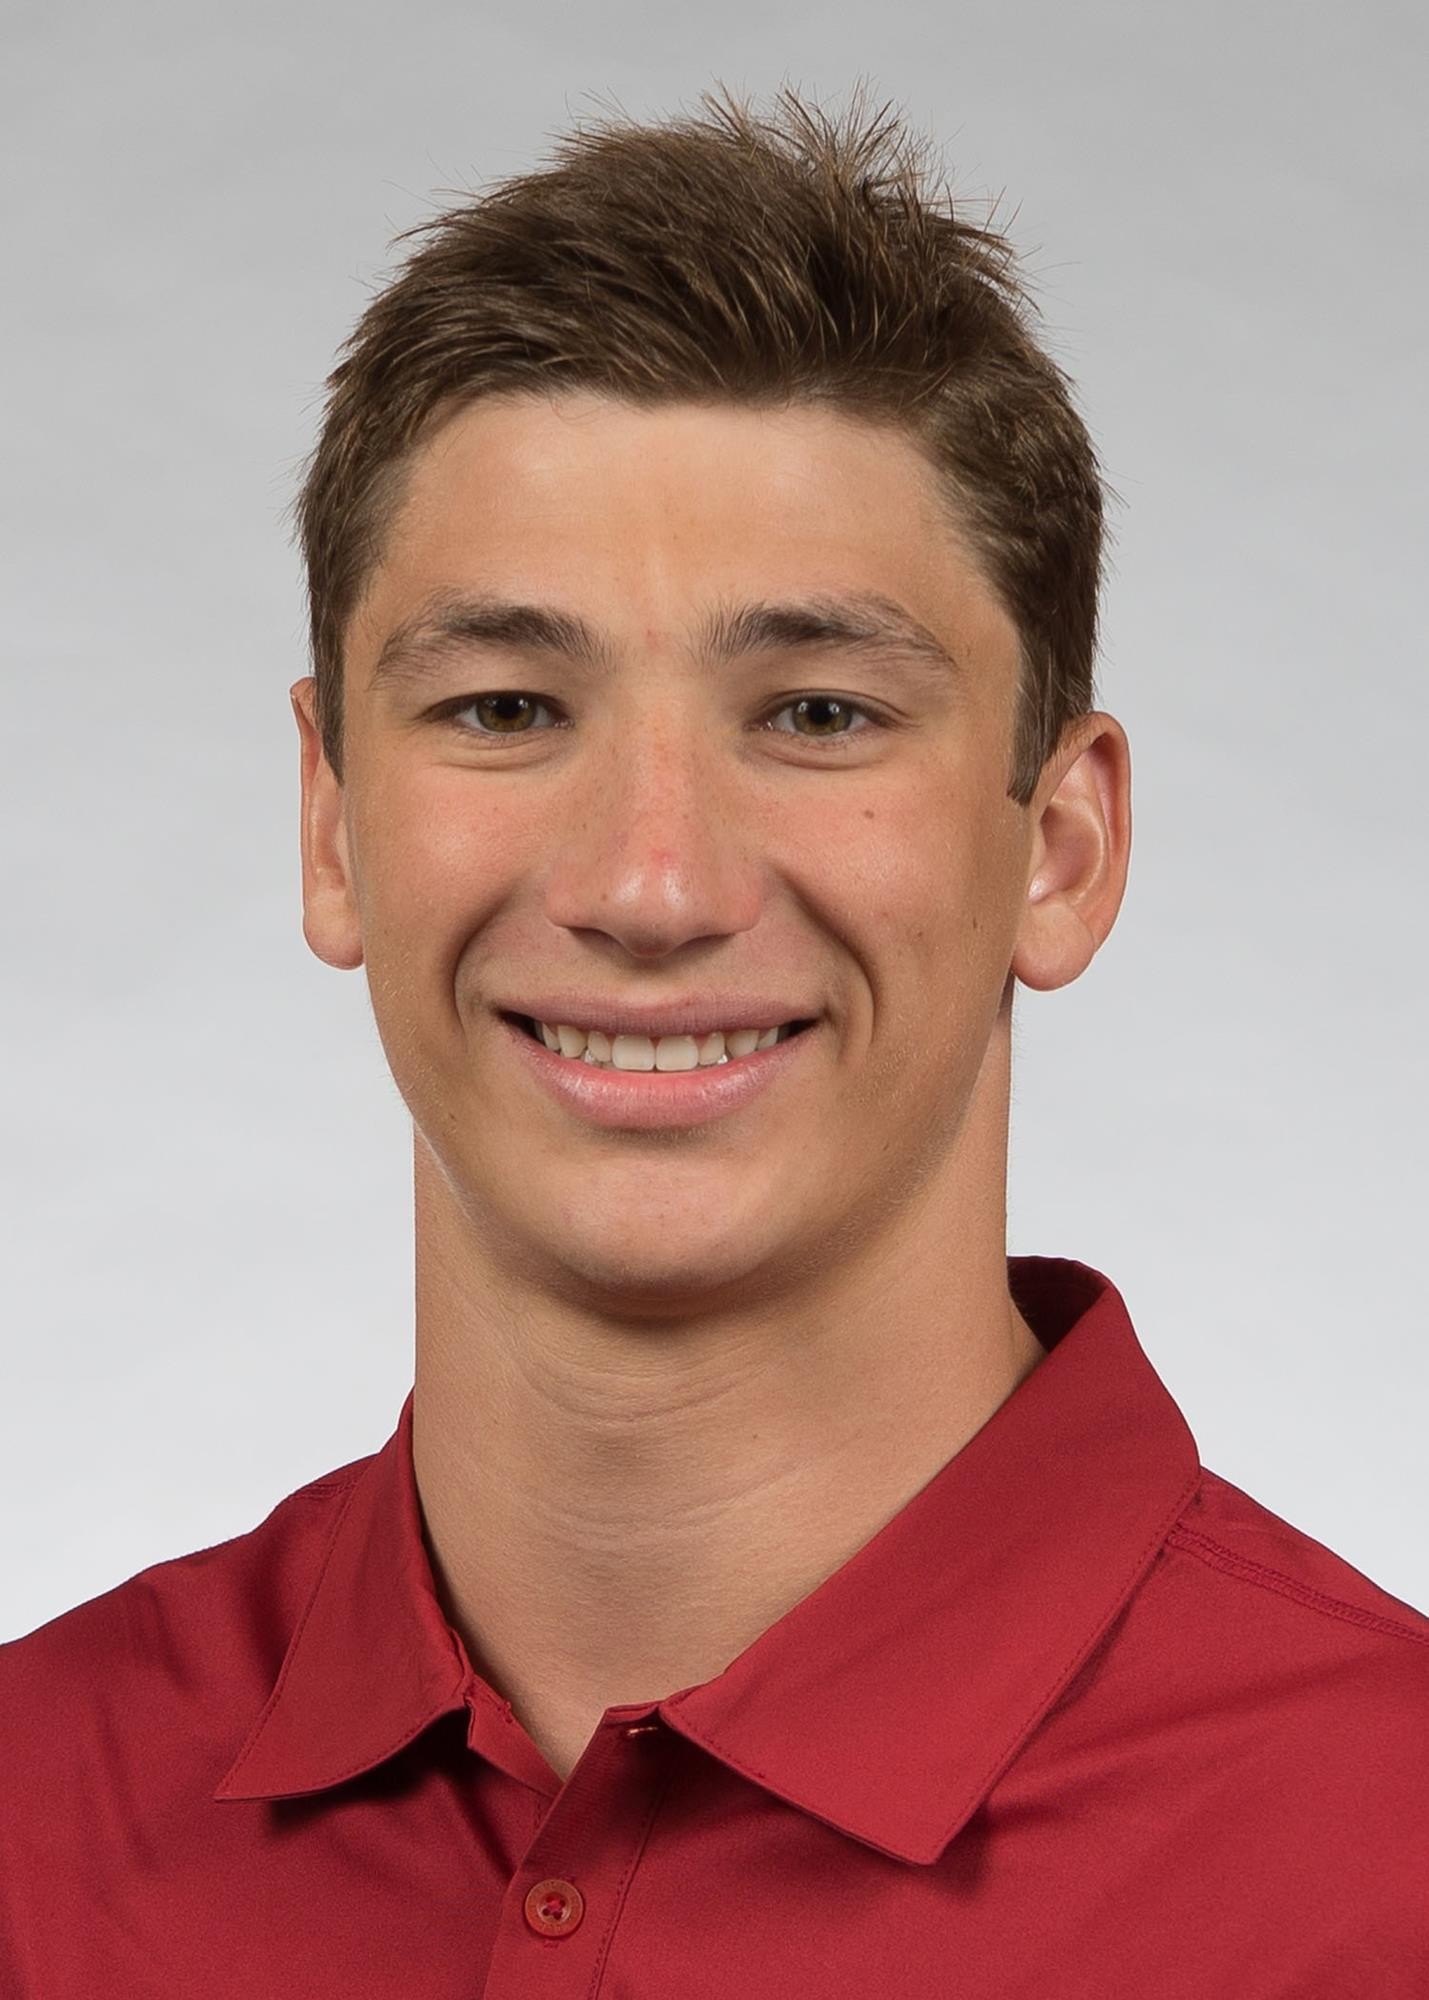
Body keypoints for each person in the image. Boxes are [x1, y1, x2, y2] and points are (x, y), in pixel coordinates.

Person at [2, 83, 1424, 1998]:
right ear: (335, 825)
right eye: (505, 708)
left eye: (820, 715)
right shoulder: (37, 1804)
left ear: (1062, 850)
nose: (650, 886)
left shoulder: (1383, 1856)